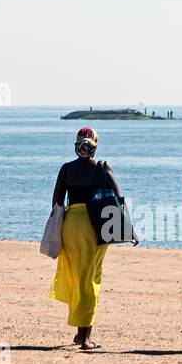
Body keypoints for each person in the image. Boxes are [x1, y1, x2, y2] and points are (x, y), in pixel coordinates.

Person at [50, 128, 120, 350]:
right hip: (95, 225)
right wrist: (127, 231)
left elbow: (57, 202)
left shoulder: (66, 169)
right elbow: (118, 200)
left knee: (78, 276)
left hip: (71, 224)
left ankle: (80, 334)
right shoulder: (102, 168)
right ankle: (85, 338)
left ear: (76, 145)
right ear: (95, 147)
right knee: (90, 278)